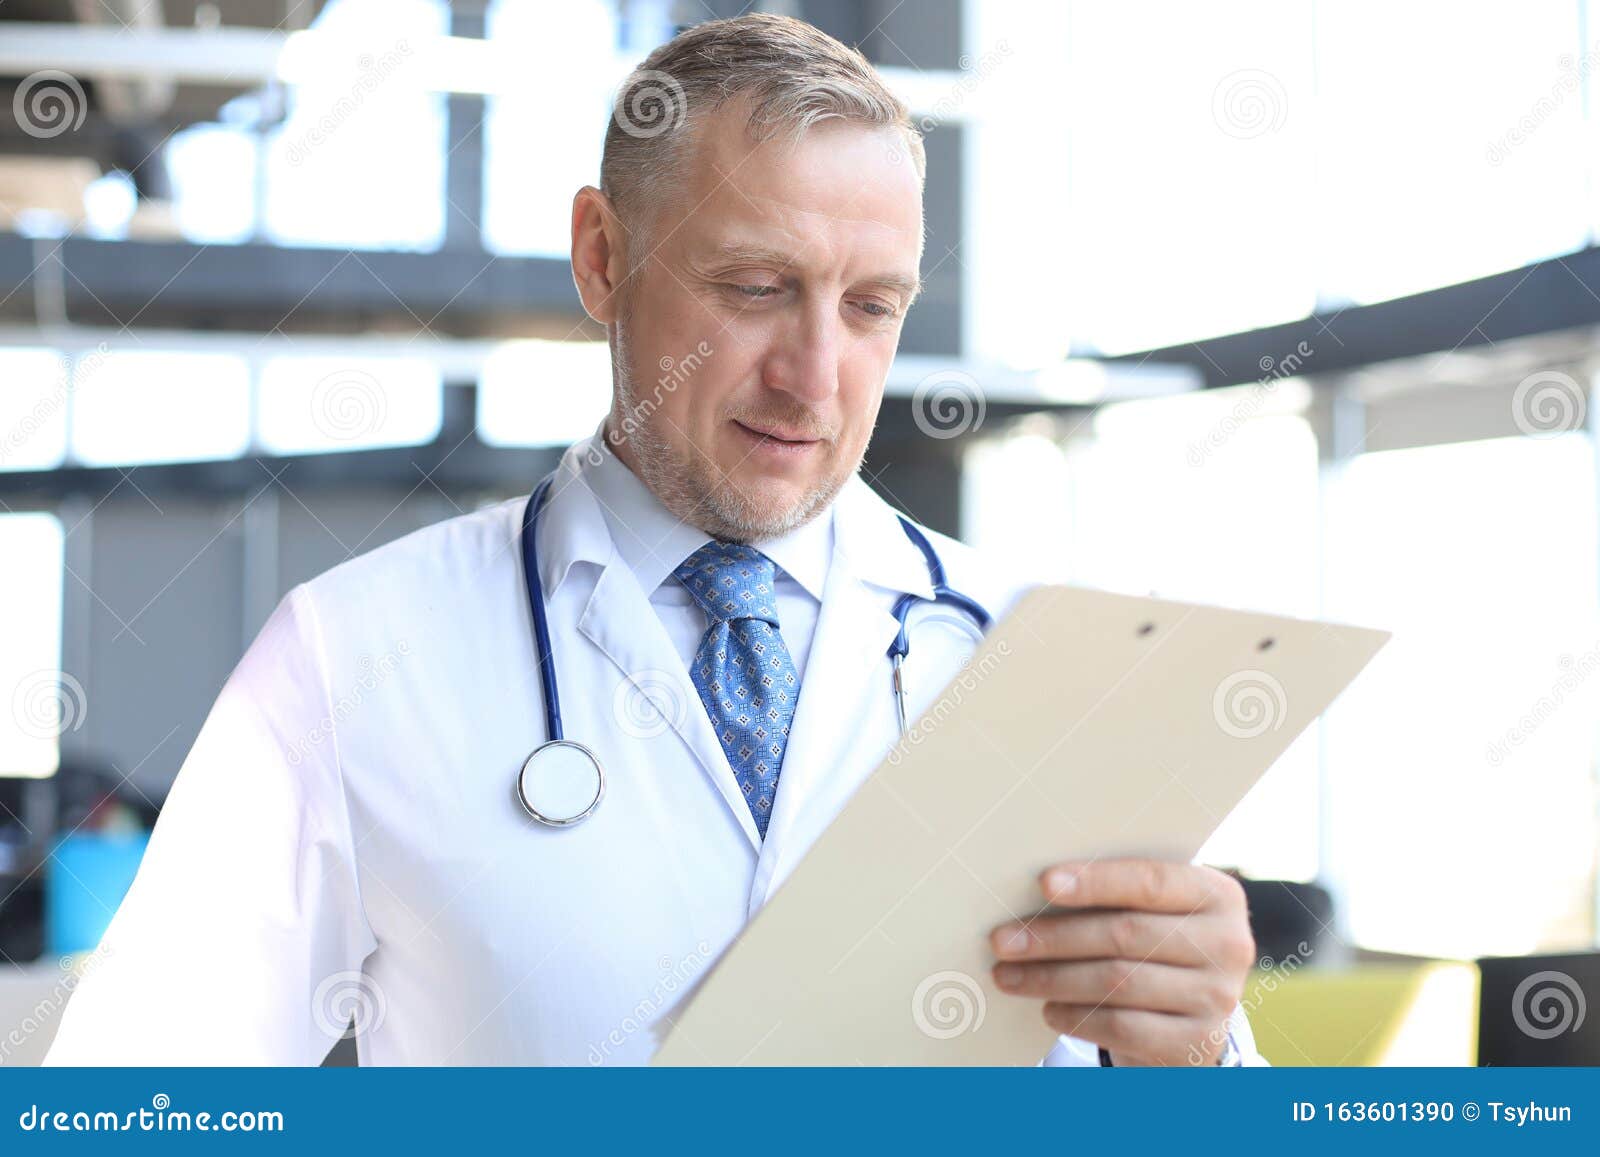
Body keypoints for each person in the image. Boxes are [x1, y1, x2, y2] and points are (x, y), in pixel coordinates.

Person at [46, 13, 1262, 1067]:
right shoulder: (352, 652)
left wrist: (1197, 1051)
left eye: (872, 305)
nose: (815, 379)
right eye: (753, 287)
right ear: (602, 257)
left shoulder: (1043, 656)